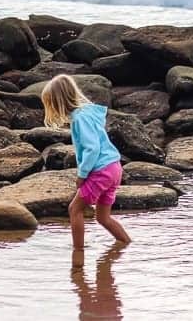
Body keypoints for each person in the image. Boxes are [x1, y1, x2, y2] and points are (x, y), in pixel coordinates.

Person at [41, 75, 131, 258]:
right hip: (114, 167)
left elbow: (92, 148)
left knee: (74, 209)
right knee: (102, 218)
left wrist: (82, 174)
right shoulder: (89, 113)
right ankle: (126, 244)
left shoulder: (80, 119)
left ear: (60, 101)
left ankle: (78, 255)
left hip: (101, 171)